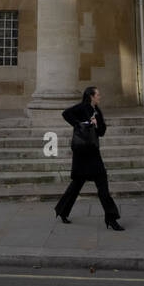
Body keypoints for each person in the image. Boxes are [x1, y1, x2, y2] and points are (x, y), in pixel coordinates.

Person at [54, 86, 124, 230]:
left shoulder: (97, 111)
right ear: (91, 96)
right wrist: (82, 125)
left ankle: (111, 218)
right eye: (98, 94)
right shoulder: (82, 107)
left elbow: (102, 131)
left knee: (101, 184)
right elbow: (66, 114)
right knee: (77, 183)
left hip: (93, 152)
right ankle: (62, 210)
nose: (100, 97)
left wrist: (97, 125)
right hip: (82, 153)